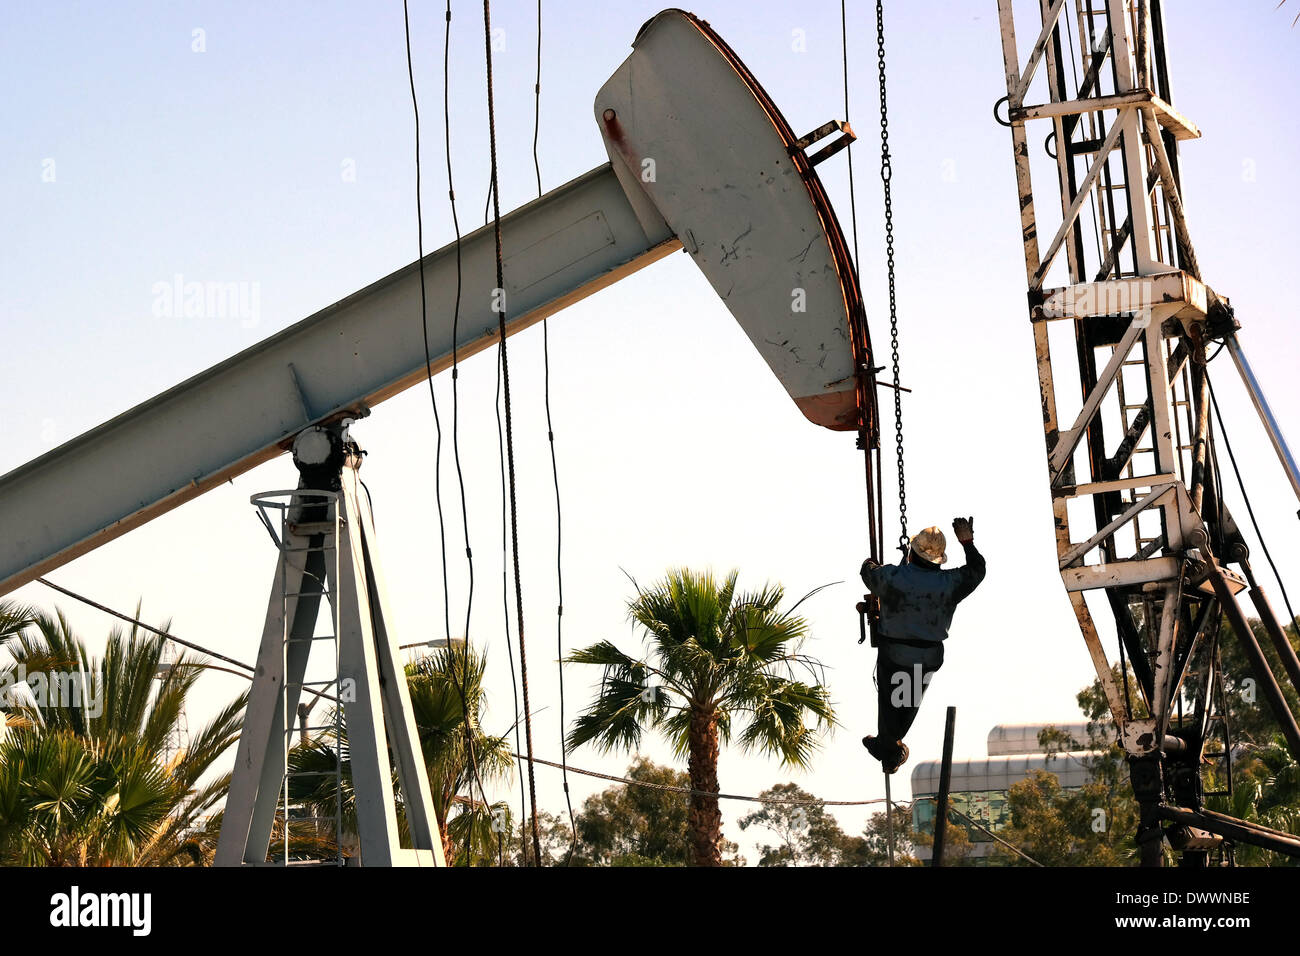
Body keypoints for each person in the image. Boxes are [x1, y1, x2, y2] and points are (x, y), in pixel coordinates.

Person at [860, 516, 985, 773]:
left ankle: (889, 747)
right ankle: (889, 746)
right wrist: (967, 542)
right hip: (927, 656)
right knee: (906, 703)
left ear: (911, 552)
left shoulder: (892, 576)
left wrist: (871, 563)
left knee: (889, 702)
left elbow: (867, 572)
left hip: (894, 652)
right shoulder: (950, 584)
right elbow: (977, 570)